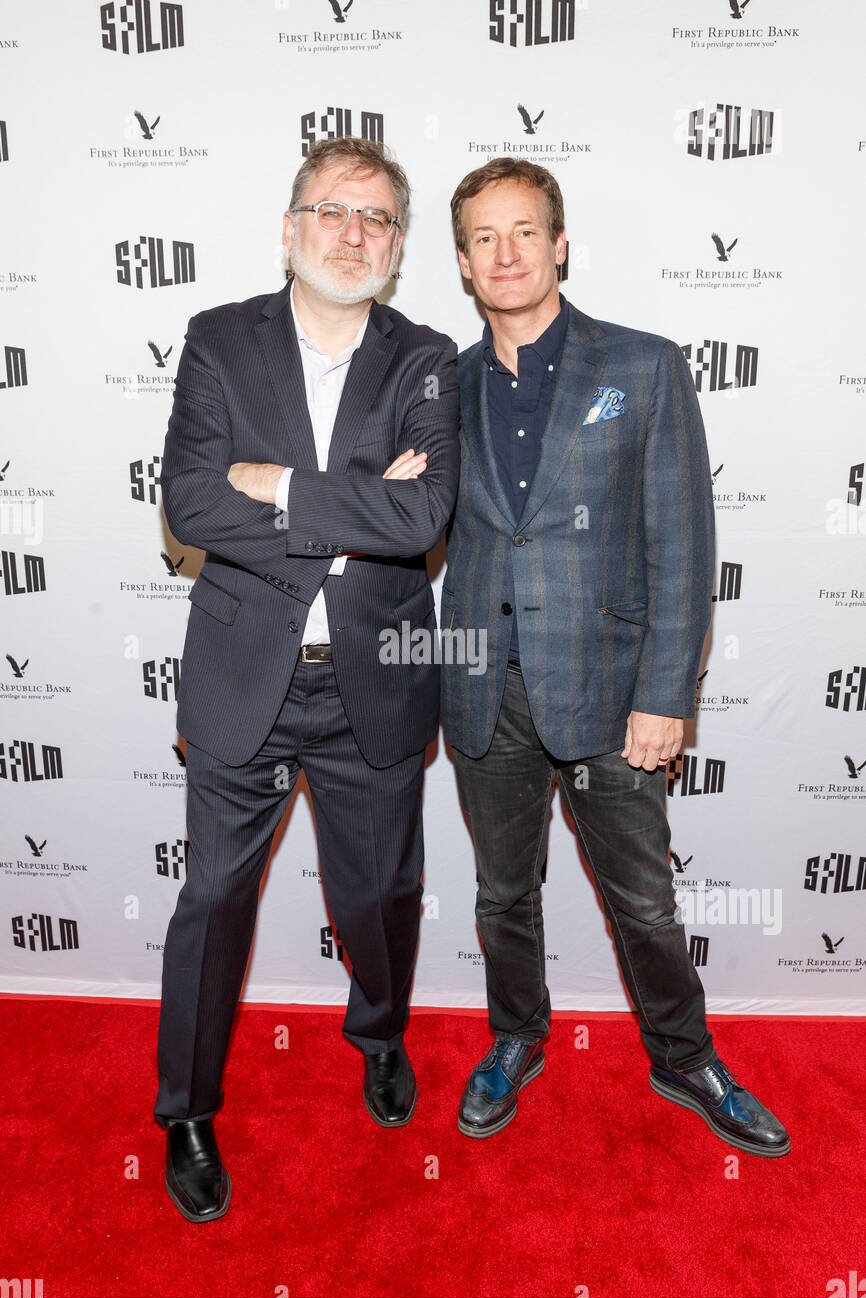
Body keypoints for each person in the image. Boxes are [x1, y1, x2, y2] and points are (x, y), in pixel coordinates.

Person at [441, 157, 789, 1157]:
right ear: (462, 263)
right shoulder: (440, 387)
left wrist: (664, 695)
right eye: (482, 238)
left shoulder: (640, 365)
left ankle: (683, 1055)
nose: (504, 253)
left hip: (608, 693)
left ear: (558, 244)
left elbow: (681, 543)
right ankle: (515, 1037)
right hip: (482, 694)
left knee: (641, 898)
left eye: (523, 232)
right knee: (502, 892)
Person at [154, 137, 458, 1222]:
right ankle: (185, 1107)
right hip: (247, 674)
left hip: (373, 678)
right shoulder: (218, 341)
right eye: (332, 211)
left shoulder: (427, 358)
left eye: (375, 219)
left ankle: (377, 1037)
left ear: (395, 246)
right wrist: (353, 502)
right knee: (214, 899)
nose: (351, 234)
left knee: (379, 896)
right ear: (291, 228)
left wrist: (275, 483)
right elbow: (191, 504)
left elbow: (425, 517)